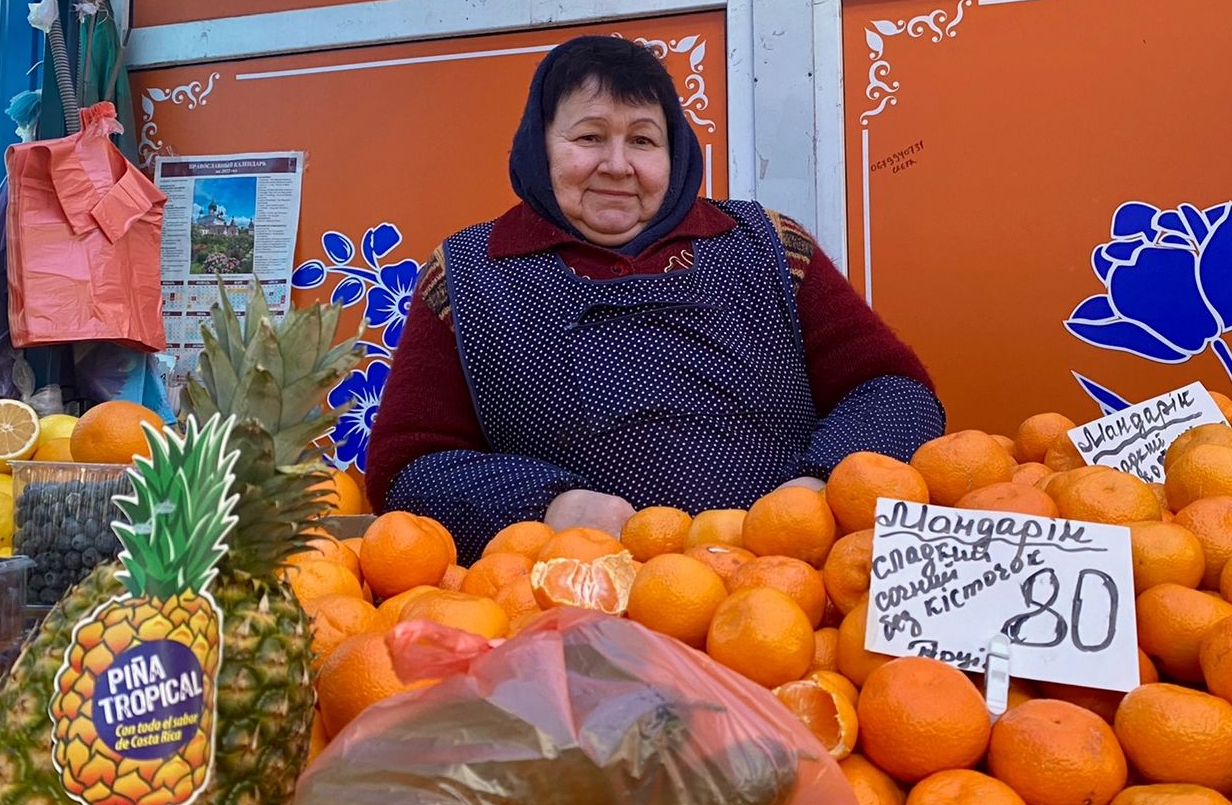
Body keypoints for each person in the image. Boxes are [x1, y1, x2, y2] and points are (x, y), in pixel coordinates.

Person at [366, 35, 944, 557]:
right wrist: (547, 506)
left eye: (643, 140)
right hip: (573, 602)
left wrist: (822, 485)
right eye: (589, 136)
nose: (617, 165)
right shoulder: (466, 273)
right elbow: (406, 467)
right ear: (540, 146)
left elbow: (893, 389)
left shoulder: (769, 244)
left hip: (789, 580)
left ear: (675, 154)